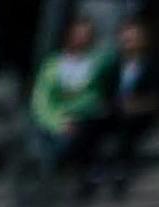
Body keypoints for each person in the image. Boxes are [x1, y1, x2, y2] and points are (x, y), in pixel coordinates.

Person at [75, 18, 159, 192]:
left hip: (140, 113)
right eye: (126, 39)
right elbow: (102, 91)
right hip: (114, 110)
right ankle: (92, 171)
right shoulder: (113, 65)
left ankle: (121, 169)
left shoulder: (153, 65)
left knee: (129, 123)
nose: (129, 43)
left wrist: (138, 105)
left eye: (133, 38)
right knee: (89, 124)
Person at [28, 13, 113, 175]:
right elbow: (41, 100)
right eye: (77, 33)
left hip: (80, 121)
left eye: (86, 35)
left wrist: (72, 114)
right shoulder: (52, 64)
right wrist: (57, 122)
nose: (81, 38)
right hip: (51, 121)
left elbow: (93, 98)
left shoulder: (96, 65)